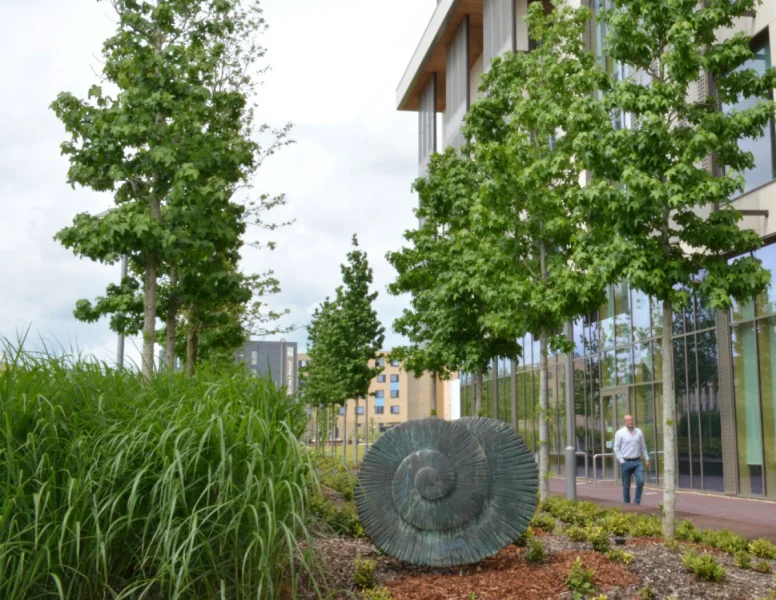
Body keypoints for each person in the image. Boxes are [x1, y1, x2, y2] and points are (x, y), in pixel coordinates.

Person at [613, 414, 650, 505]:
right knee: (626, 485)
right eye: (628, 420)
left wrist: (647, 458)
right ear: (625, 422)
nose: (631, 422)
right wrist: (621, 460)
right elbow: (616, 448)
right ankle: (627, 504)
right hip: (625, 462)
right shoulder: (620, 433)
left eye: (632, 420)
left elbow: (643, 447)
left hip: (637, 461)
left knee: (640, 481)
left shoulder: (639, 432)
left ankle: (637, 502)